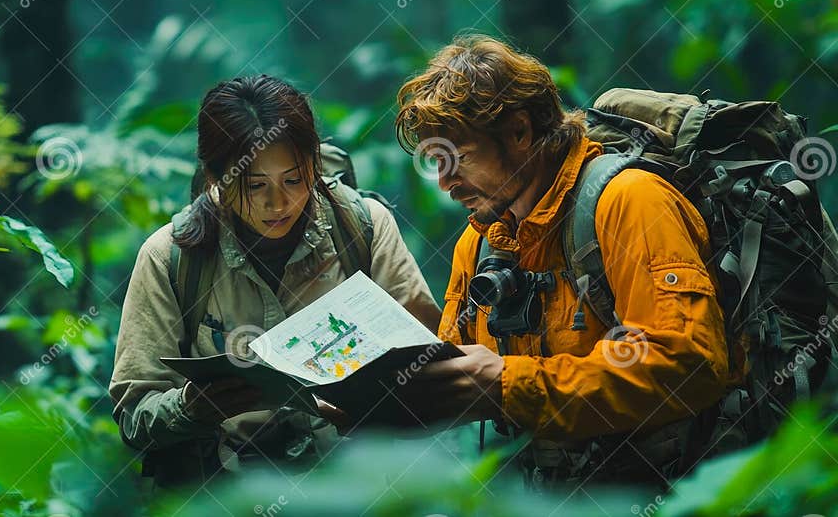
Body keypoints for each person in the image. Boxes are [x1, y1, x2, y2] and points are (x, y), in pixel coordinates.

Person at [391, 35, 739, 487]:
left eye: (459, 158)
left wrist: (508, 383)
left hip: (667, 490)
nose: (444, 183)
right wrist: (373, 402)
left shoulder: (630, 201)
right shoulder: (478, 244)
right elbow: (455, 376)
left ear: (519, 132)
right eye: (435, 163)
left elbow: (688, 364)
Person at [109, 75, 441, 486]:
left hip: (354, 487)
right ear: (215, 178)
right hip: (227, 493)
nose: (278, 202)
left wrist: (373, 402)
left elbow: (428, 360)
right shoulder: (170, 257)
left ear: (314, 165)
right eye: (254, 185)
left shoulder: (364, 227)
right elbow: (134, 416)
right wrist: (190, 408)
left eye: (294, 179)